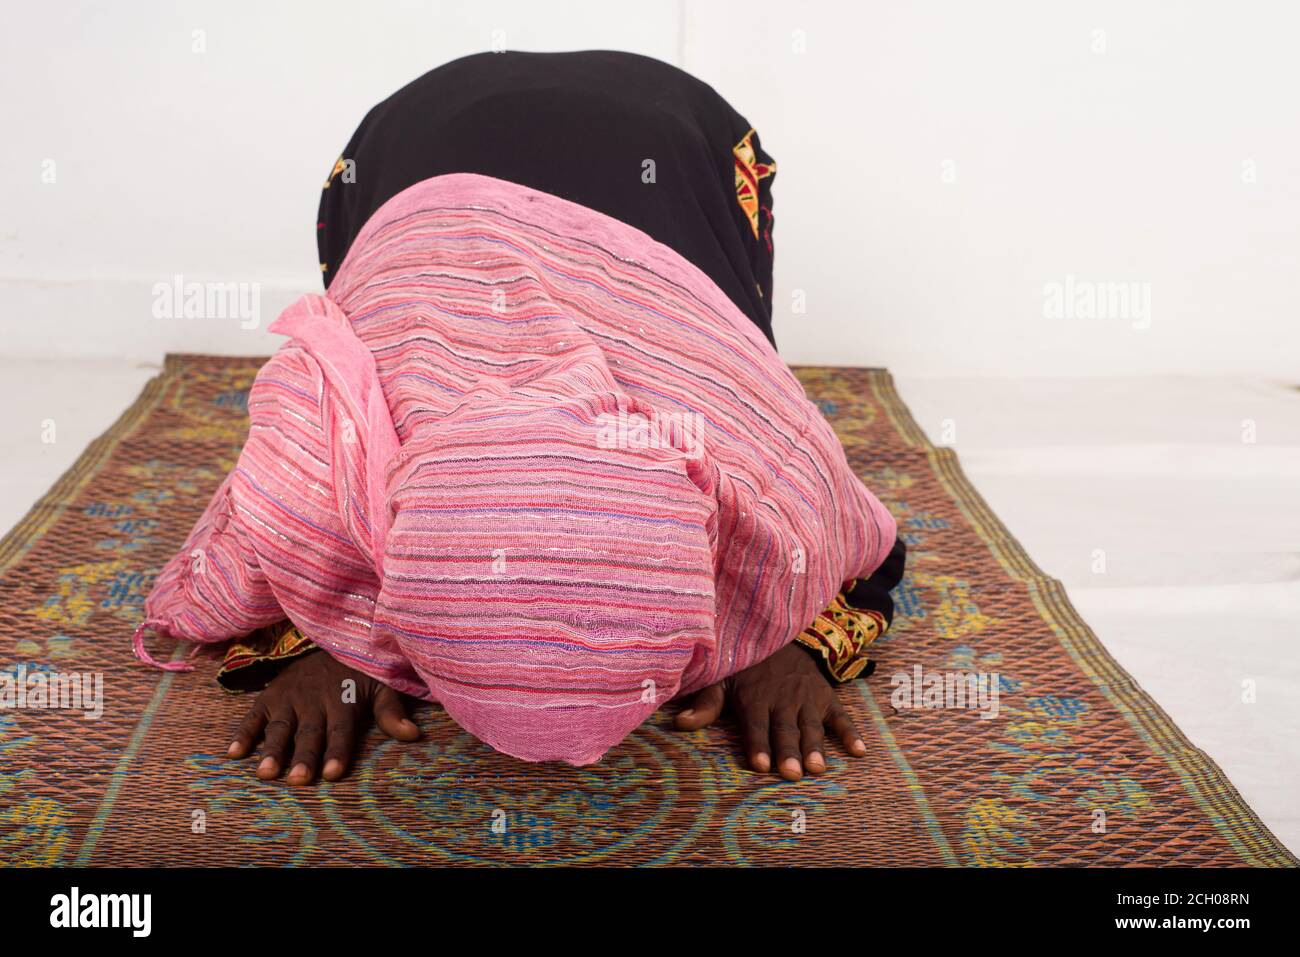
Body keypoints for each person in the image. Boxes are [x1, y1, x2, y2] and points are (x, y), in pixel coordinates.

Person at [133, 51, 906, 785]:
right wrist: (338, 648)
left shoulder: (755, 447)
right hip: (420, 141)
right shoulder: (314, 457)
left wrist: (783, 630)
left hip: (667, 131)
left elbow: (857, 533)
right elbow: (267, 534)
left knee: (738, 327)